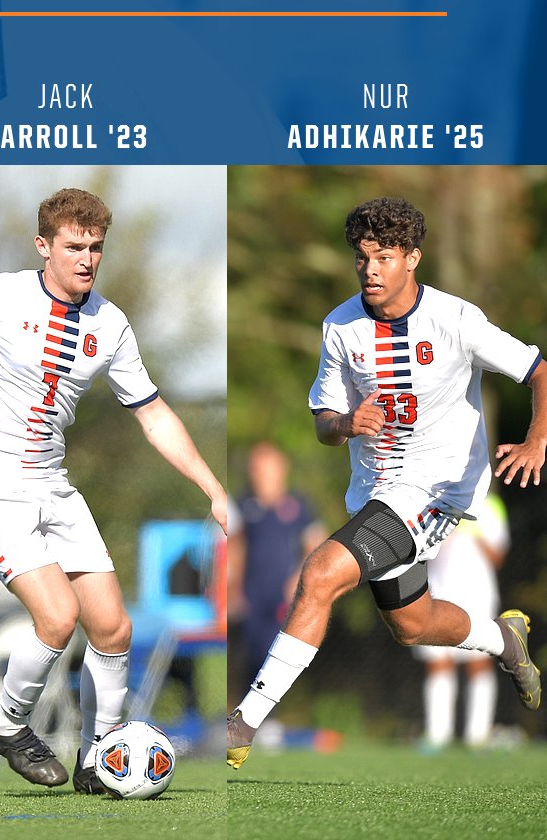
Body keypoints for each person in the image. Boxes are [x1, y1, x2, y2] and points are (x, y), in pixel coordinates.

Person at [0, 188, 230, 794]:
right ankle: (8, 727)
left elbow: (154, 414)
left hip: (51, 489)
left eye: (96, 248)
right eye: (74, 246)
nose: (87, 259)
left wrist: (212, 486)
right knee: (57, 618)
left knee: (112, 628)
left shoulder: (109, 324)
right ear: (43, 247)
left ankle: (98, 759)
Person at [228, 197, 544, 767]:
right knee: (413, 625)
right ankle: (504, 640)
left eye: (384, 256)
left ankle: (244, 721)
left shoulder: (456, 320)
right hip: (375, 494)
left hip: (439, 488)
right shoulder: (340, 326)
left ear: (413, 258)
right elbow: (325, 424)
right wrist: (347, 423)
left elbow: (539, 370)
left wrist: (536, 440)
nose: (370, 268)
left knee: (321, 571)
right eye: (362, 256)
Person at [230, 443, 324, 695]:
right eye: (256, 469)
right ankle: (249, 717)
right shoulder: (243, 505)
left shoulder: (299, 506)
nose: (260, 476)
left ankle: (267, 718)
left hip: (284, 595)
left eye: (266, 470)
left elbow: (316, 543)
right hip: (252, 595)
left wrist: (298, 579)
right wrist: (232, 586)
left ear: (281, 470)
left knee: (276, 656)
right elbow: (233, 547)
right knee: (252, 654)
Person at [416, 490, 508, 748]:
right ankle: (437, 735)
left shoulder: (491, 506)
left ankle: (477, 736)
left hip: (478, 594)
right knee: (438, 663)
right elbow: (421, 548)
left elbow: (498, 556)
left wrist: (474, 533)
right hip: (438, 590)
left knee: (478, 662)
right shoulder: (433, 500)